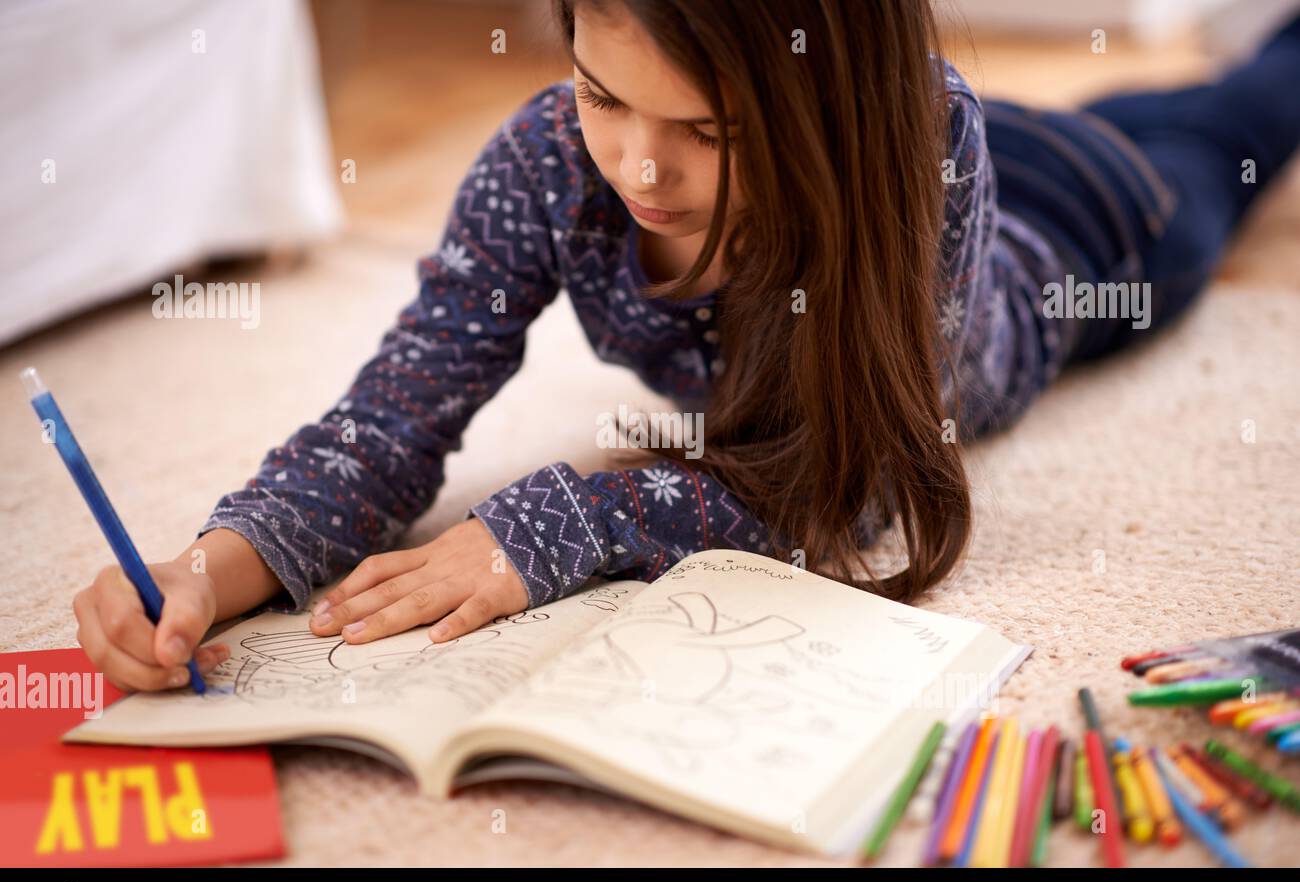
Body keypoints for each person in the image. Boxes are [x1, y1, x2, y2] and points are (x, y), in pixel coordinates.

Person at [73, 1, 1300, 691]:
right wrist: (209, 567)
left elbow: (860, 475)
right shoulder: (549, 159)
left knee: (1242, 115)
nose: (642, 169)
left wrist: (575, 517)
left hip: (1090, 222)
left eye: (705, 130)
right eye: (605, 97)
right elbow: (396, 412)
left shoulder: (917, 142)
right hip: (951, 127)